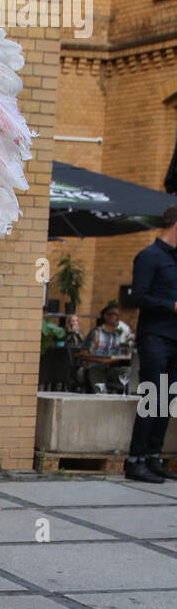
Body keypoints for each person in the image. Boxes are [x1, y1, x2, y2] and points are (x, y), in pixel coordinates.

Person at [125, 205, 177, 482]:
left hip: (175, 340)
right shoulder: (148, 256)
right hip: (155, 337)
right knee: (152, 398)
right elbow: (138, 297)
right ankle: (135, 461)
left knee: (168, 400)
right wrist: (172, 306)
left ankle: (153, 457)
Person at [77, 304, 132, 392]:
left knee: (127, 372)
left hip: (109, 369)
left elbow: (117, 357)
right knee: (96, 371)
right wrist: (103, 361)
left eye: (119, 315)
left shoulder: (116, 336)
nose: (117, 317)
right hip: (92, 368)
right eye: (115, 314)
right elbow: (83, 355)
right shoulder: (96, 333)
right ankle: (100, 396)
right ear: (106, 316)